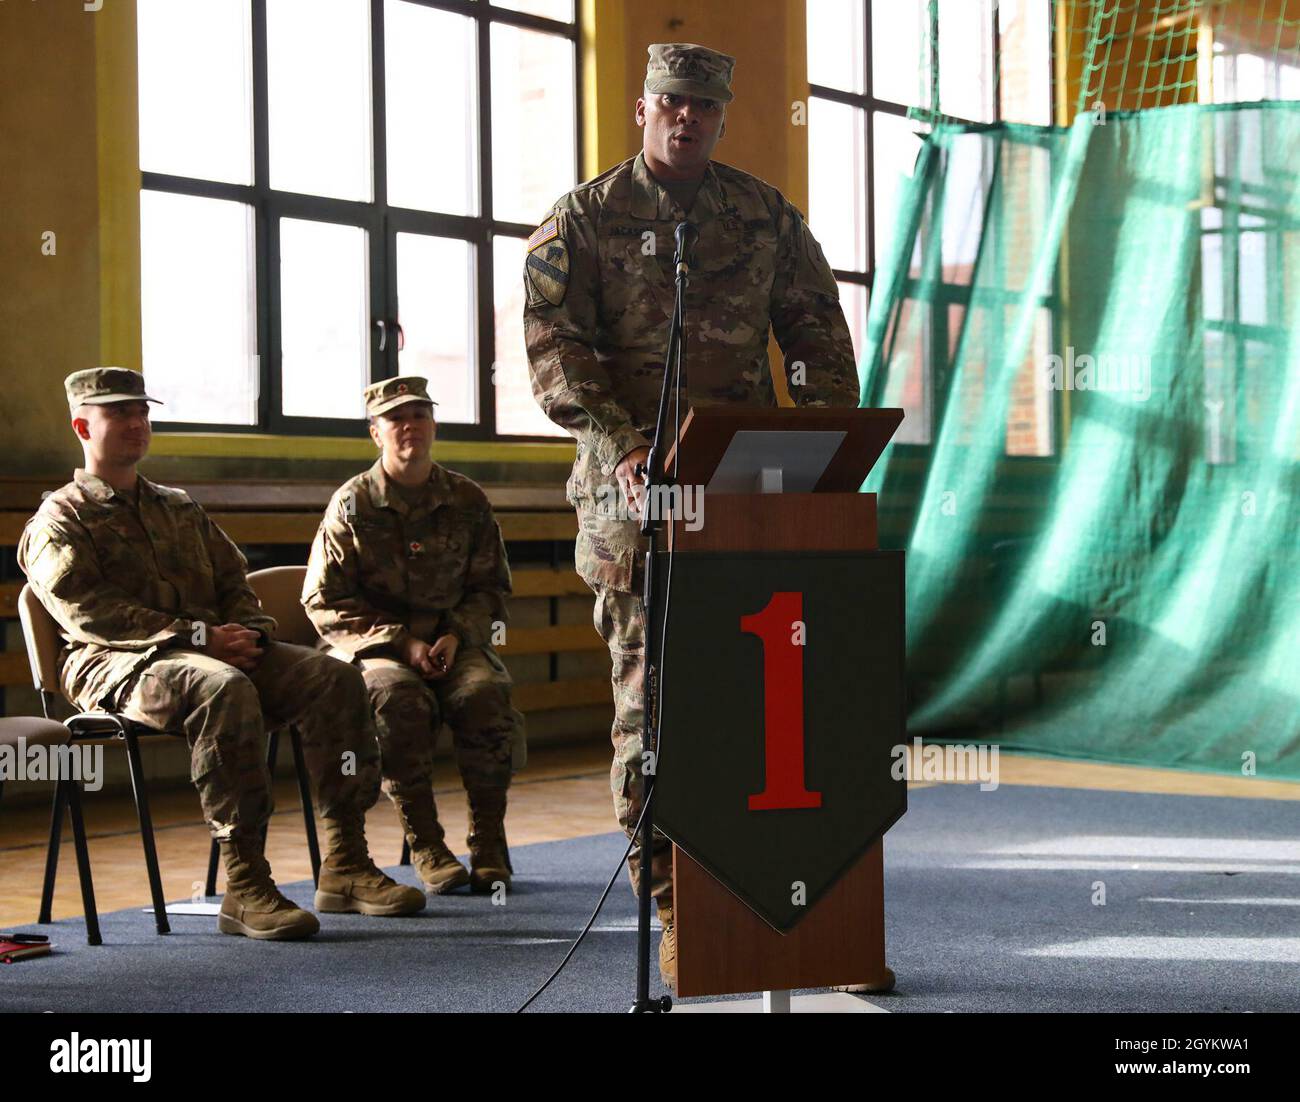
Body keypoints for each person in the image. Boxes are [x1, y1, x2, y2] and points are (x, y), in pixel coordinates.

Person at [523, 43, 860, 984]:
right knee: (657, 717)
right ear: (642, 108)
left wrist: (824, 434)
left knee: (759, 711)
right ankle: (674, 910)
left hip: (743, 496)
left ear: (721, 117)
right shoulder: (582, 221)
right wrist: (626, 444)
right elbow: (555, 348)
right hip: (633, 507)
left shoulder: (760, 214)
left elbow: (814, 326)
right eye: (671, 103)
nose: (686, 120)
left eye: (704, 109)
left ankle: (777, 902)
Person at [17, 368, 425, 940]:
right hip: (111, 666)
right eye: (120, 414)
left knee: (332, 676)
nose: (137, 423)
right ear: (83, 426)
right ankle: (246, 884)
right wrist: (200, 639)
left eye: (143, 413)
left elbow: (233, 579)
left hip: (208, 653)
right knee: (220, 687)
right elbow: (90, 613)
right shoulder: (61, 518)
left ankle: (346, 863)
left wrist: (250, 635)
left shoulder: (176, 507)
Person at [302, 376, 524, 896]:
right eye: (397, 419)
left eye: (420, 415)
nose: (410, 427)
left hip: (453, 642)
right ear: (375, 432)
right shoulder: (352, 503)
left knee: (485, 694)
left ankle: (488, 842)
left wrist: (455, 635)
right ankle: (426, 843)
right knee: (397, 697)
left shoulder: (466, 499)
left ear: (434, 425)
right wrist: (401, 643)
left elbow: (492, 586)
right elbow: (322, 600)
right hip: (377, 647)